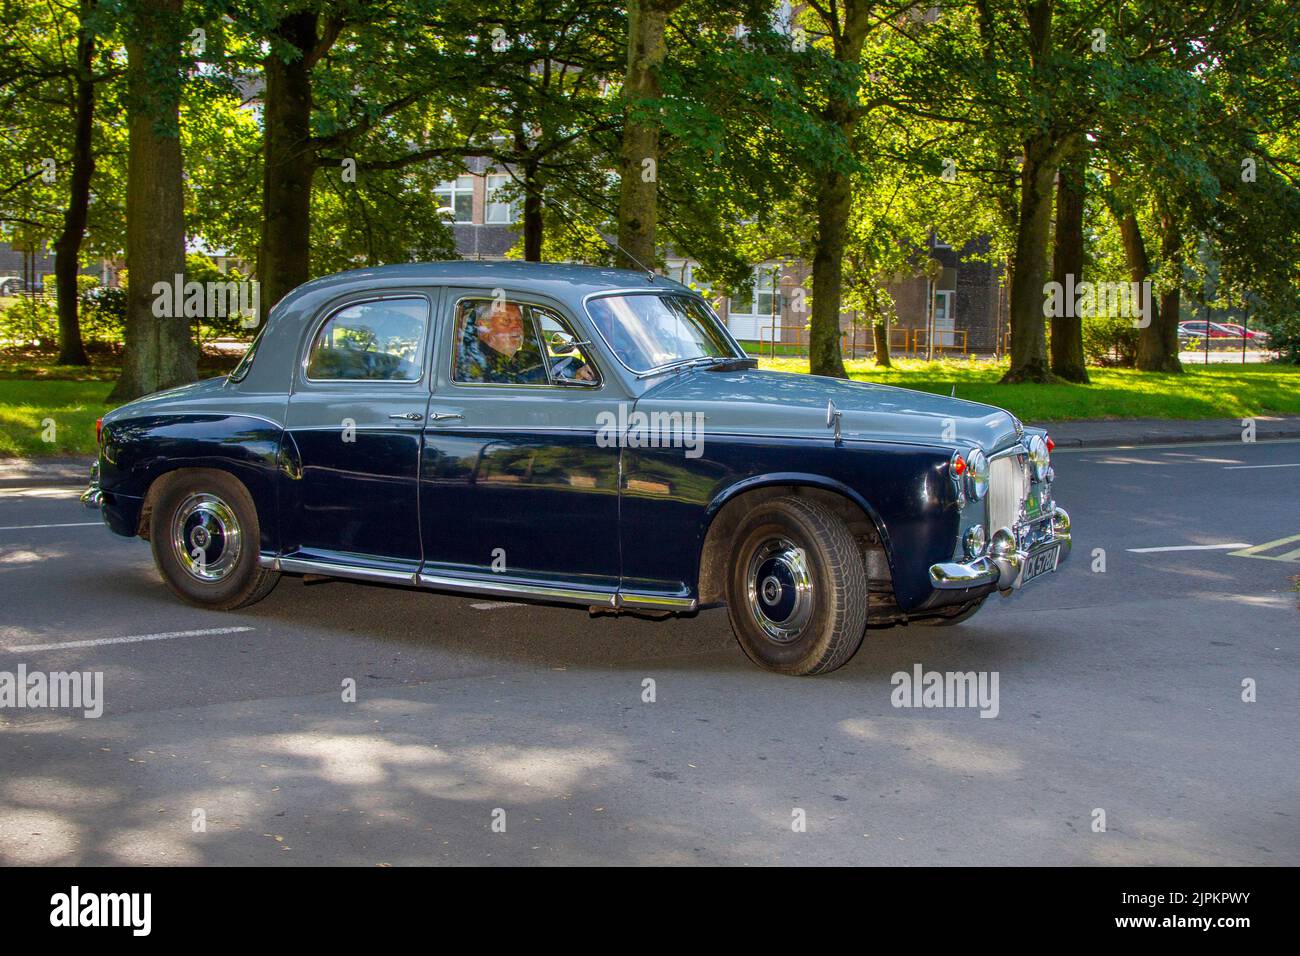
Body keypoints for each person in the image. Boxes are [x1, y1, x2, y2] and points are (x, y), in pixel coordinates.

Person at [457, 301, 547, 384]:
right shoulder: (473, 363)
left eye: (519, 321)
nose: (517, 327)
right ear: (484, 327)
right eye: (506, 321)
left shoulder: (531, 360)